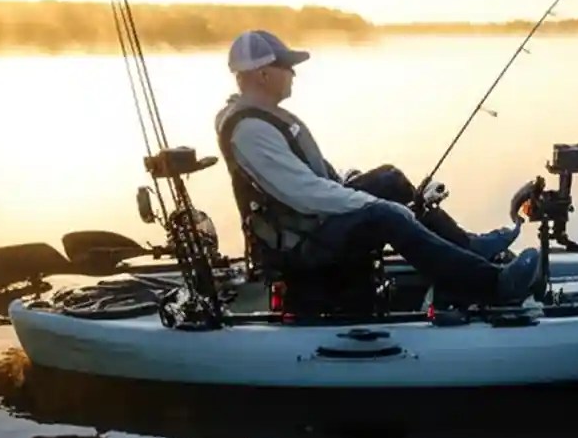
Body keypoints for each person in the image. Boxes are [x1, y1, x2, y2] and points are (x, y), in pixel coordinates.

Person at [213, 29, 540, 304]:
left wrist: (351, 182)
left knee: (390, 179)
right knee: (384, 214)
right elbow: (304, 194)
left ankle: (469, 247)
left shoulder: (262, 115)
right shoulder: (250, 130)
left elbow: (306, 177)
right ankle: (491, 285)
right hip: (301, 245)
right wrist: (375, 204)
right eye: (286, 66)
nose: (293, 73)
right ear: (263, 74)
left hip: (312, 222)